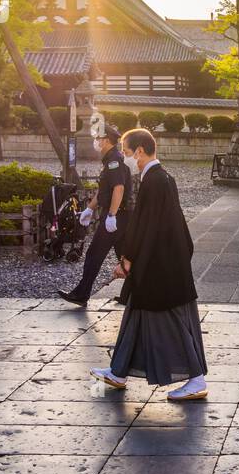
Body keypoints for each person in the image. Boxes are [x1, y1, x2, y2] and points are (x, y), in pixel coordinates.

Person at [90, 128, 209, 401]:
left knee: (172, 320)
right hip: (166, 262)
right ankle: (118, 372)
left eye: (127, 151)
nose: (125, 157)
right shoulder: (161, 177)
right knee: (136, 314)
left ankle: (196, 379)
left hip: (161, 267)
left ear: (140, 151)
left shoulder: (154, 181)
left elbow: (147, 226)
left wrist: (128, 259)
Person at [60, 125, 130, 307]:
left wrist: (112, 215)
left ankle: (81, 294)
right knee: (125, 256)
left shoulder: (114, 160)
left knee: (93, 255)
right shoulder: (111, 159)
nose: (96, 142)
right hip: (119, 216)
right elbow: (103, 191)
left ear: (106, 140)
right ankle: (133, 296)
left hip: (116, 216)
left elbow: (119, 188)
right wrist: (89, 210)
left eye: (98, 139)